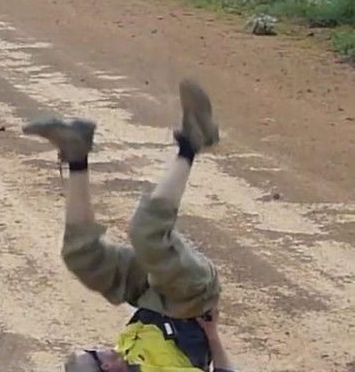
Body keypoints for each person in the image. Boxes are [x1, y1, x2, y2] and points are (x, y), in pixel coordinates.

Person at [22, 79, 239, 372]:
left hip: (147, 294)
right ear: (107, 370)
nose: (104, 349)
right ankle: (193, 142)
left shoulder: (124, 357)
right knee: (146, 232)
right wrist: (212, 334)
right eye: (98, 356)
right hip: (191, 299)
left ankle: (76, 156)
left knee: (79, 257)